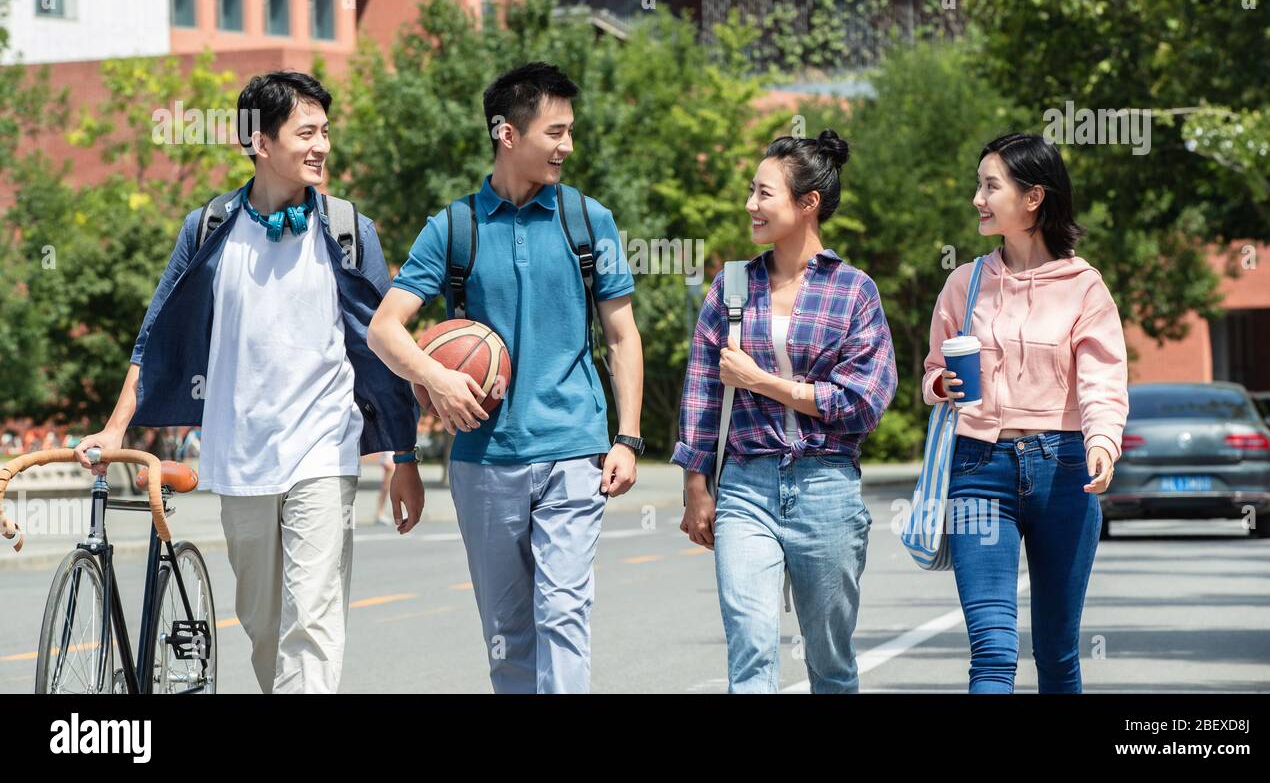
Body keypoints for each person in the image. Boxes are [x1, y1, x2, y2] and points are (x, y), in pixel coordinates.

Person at [76, 71, 421, 694]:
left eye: (325, 132)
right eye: (306, 132)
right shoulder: (208, 229)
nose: (322, 146)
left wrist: (403, 455)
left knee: (311, 624)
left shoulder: (347, 231)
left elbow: (382, 348)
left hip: (325, 449)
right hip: (240, 456)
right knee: (264, 627)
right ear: (259, 142)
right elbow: (154, 337)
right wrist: (115, 426)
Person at [368, 61, 644, 693]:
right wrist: (434, 382)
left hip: (575, 446)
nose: (567, 145)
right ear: (508, 134)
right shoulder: (454, 227)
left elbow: (623, 335)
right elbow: (384, 330)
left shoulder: (588, 222)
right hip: (484, 459)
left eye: (571, 131)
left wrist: (626, 437)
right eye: (556, 131)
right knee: (507, 629)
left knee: (563, 612)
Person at [676, 129, 898, 693]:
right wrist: (696, 486)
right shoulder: (730, 288)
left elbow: (862, 403)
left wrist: (765, 383)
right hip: (745, 486)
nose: (751, 205)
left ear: (807, 204)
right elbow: (702, 390)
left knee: (829, 662)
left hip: (826, 486)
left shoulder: (854, 292)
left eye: (764, 194)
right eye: (751, 191)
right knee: (750, 648)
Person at [922, 131, 1128, 693]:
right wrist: (941, 382)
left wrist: (1103, 443)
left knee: (1058, 651)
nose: (977, 199)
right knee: (991, 650)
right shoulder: (964, 284)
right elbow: (933, 369)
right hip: (978, 467)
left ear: (1033, 197)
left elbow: (1103, 378)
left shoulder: (1084, 286)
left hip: (1065, 470)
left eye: (991, 186)